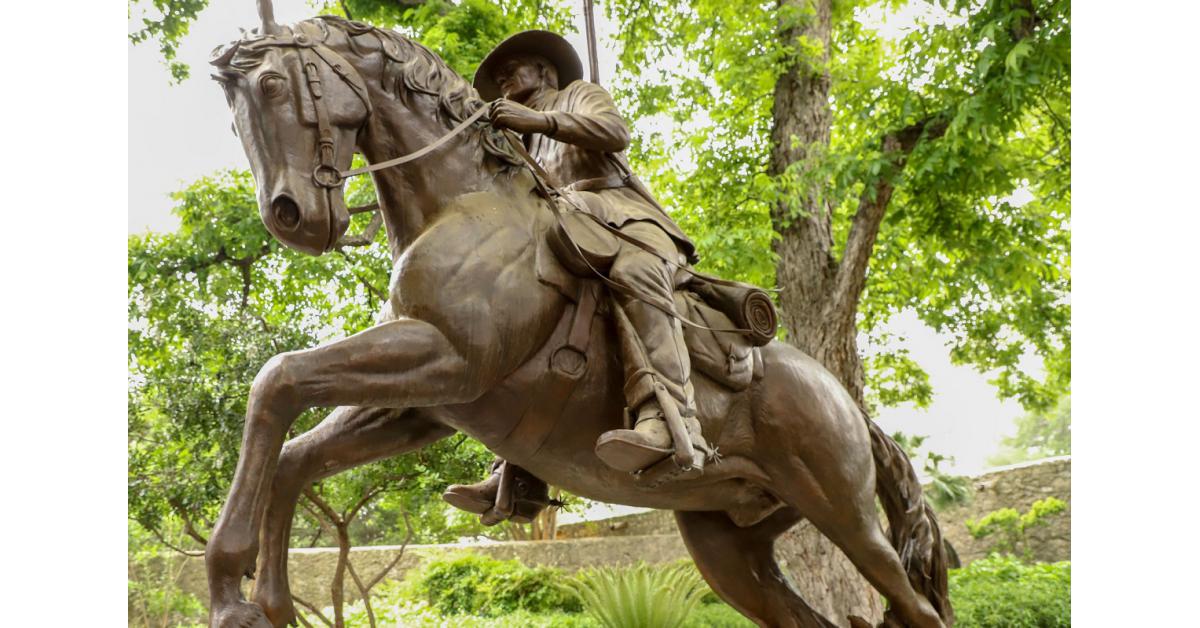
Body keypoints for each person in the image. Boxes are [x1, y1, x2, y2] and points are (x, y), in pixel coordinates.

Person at [442, 31, 710, 524]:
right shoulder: (515, 142)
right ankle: (519, 468)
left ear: (544, 72)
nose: (502, 81)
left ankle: (671, 420)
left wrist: (540, 119)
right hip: (568, 230)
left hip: (624, 220)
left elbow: (614, 132)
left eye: (512, 69)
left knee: (635, 274)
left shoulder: (578, 95)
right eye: (498, 79)